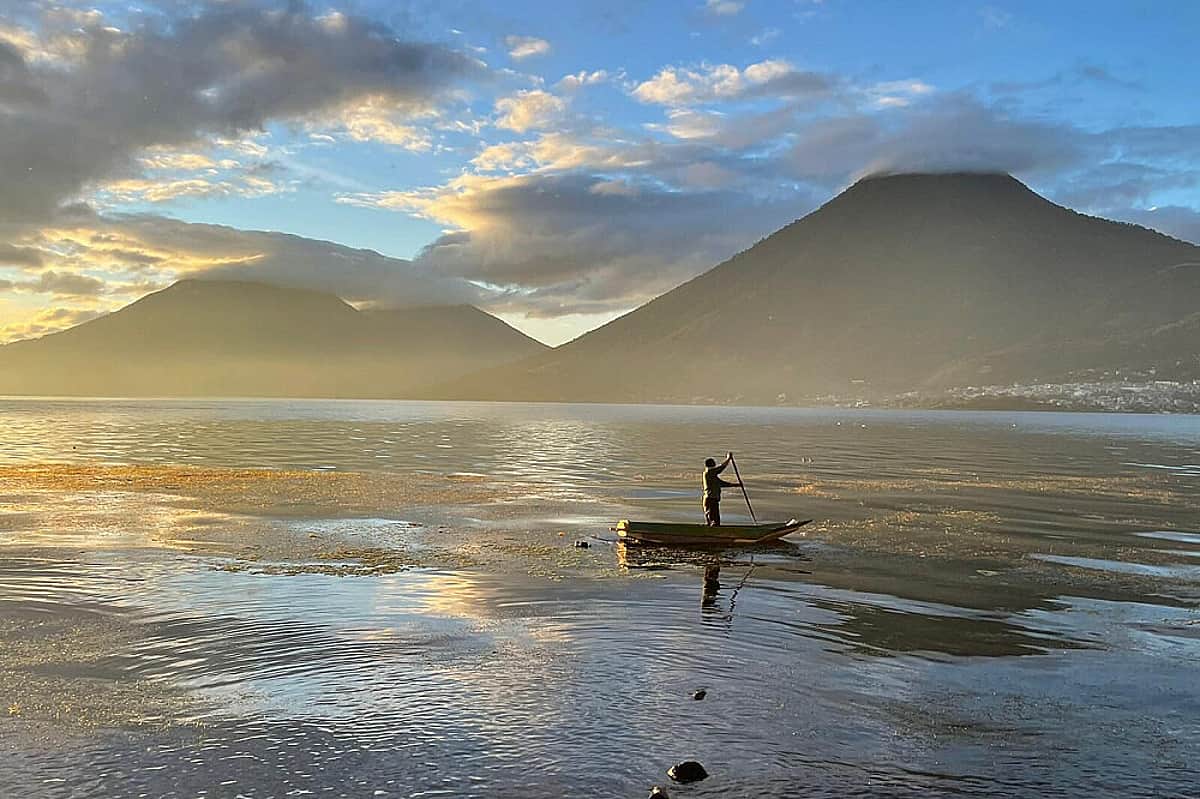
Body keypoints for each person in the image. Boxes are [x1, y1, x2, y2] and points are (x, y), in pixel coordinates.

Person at [702, 452, 741, 526]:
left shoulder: (712, 475)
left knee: (714, 519)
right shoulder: (709, 472)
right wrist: (728, 459)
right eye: (714, 463)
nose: (715, 464)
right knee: (713, 520)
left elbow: (721, 483)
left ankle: (711, 530)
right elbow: (721, 468)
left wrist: (736, 485)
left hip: (712, 499)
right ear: (712, 464)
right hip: (711, 499)